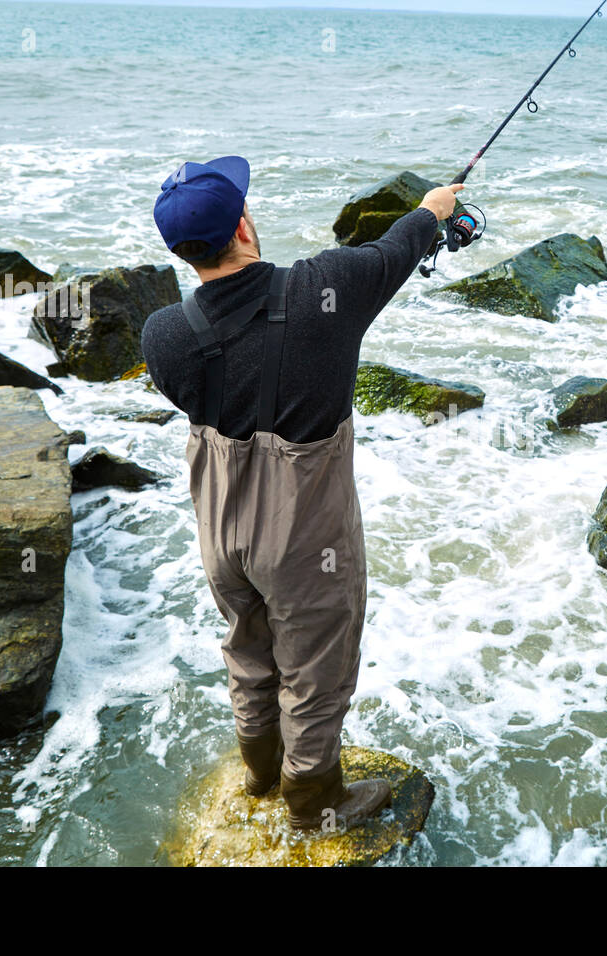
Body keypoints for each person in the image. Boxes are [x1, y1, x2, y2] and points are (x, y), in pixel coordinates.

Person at [141, 155, 462, 831]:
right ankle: (314, 803)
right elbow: (398, 245)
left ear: (179, 251)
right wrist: (434, 208)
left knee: (247, 647)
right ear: (245, 227)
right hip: (304, 529)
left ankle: (259, 772)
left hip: (219, 526)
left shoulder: (164, 335)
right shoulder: (330, 289)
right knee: (316, 667)